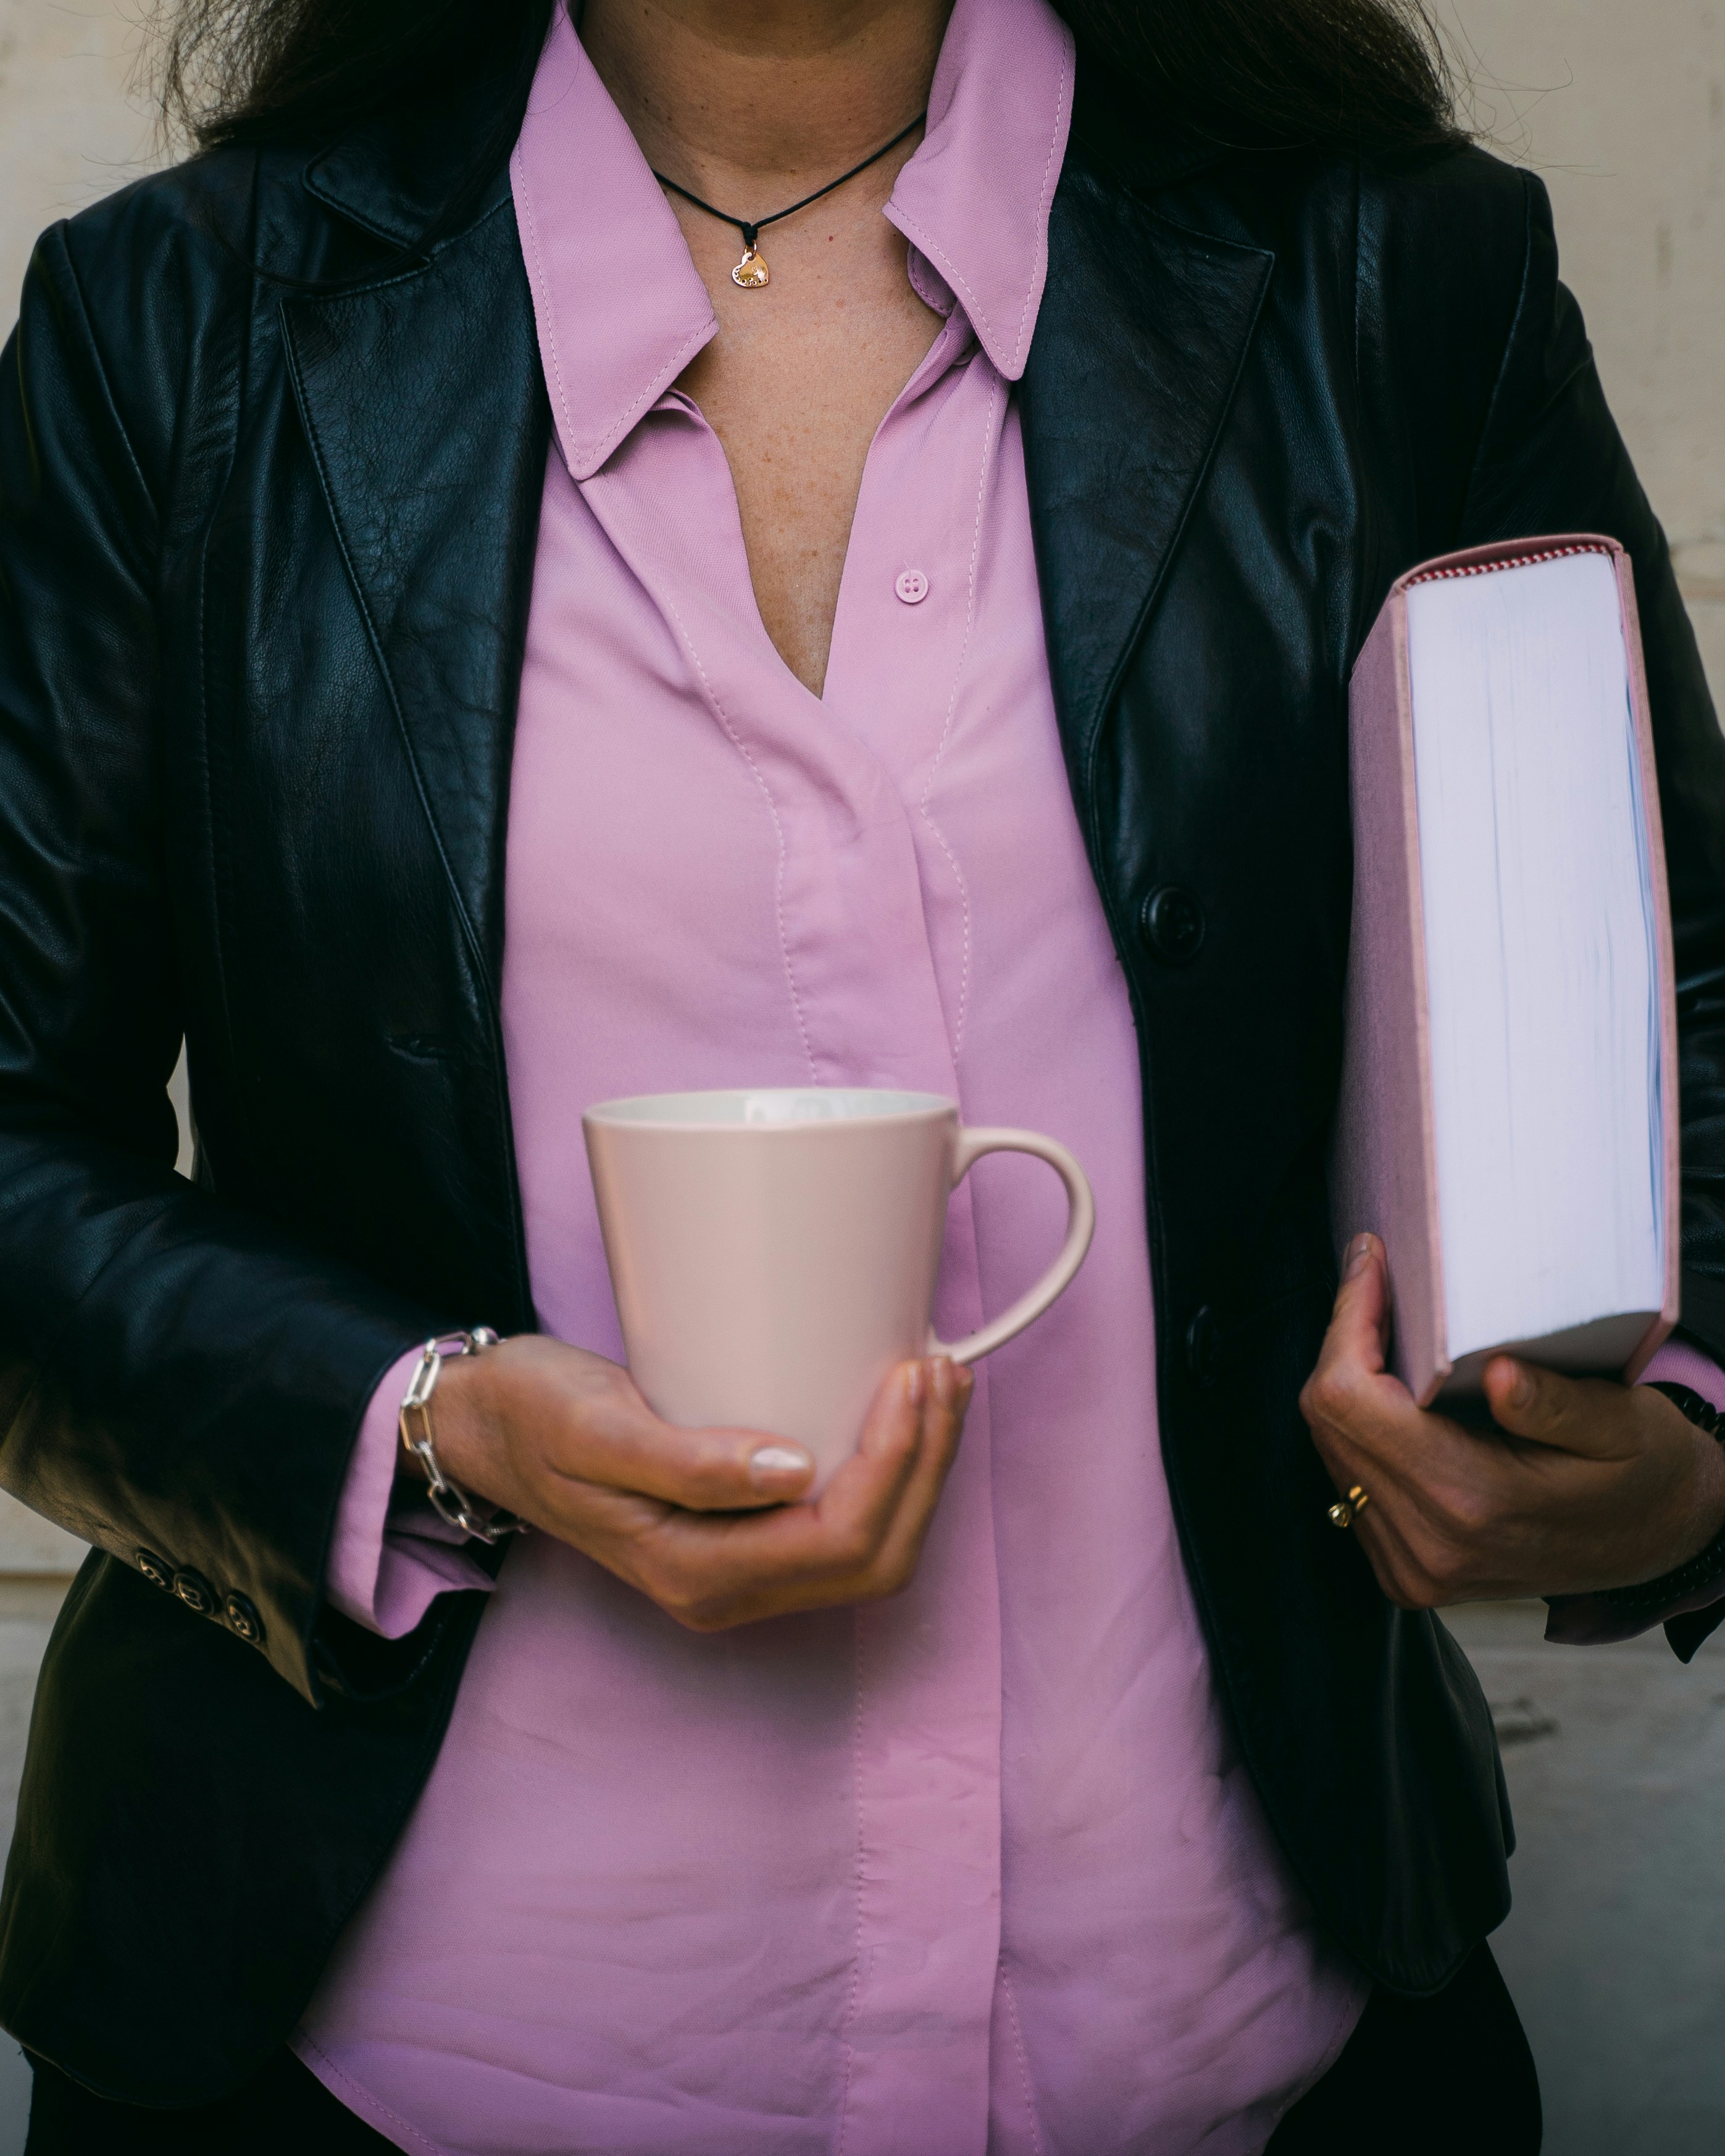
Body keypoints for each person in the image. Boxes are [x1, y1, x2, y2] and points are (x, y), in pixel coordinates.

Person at [2, 0, 1723, 2148]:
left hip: (1237, 2040)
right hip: (385, 2053)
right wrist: (427, 1424)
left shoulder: (1394, 272)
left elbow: (1679, 987)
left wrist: (1670, 1450)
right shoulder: (170, 320)